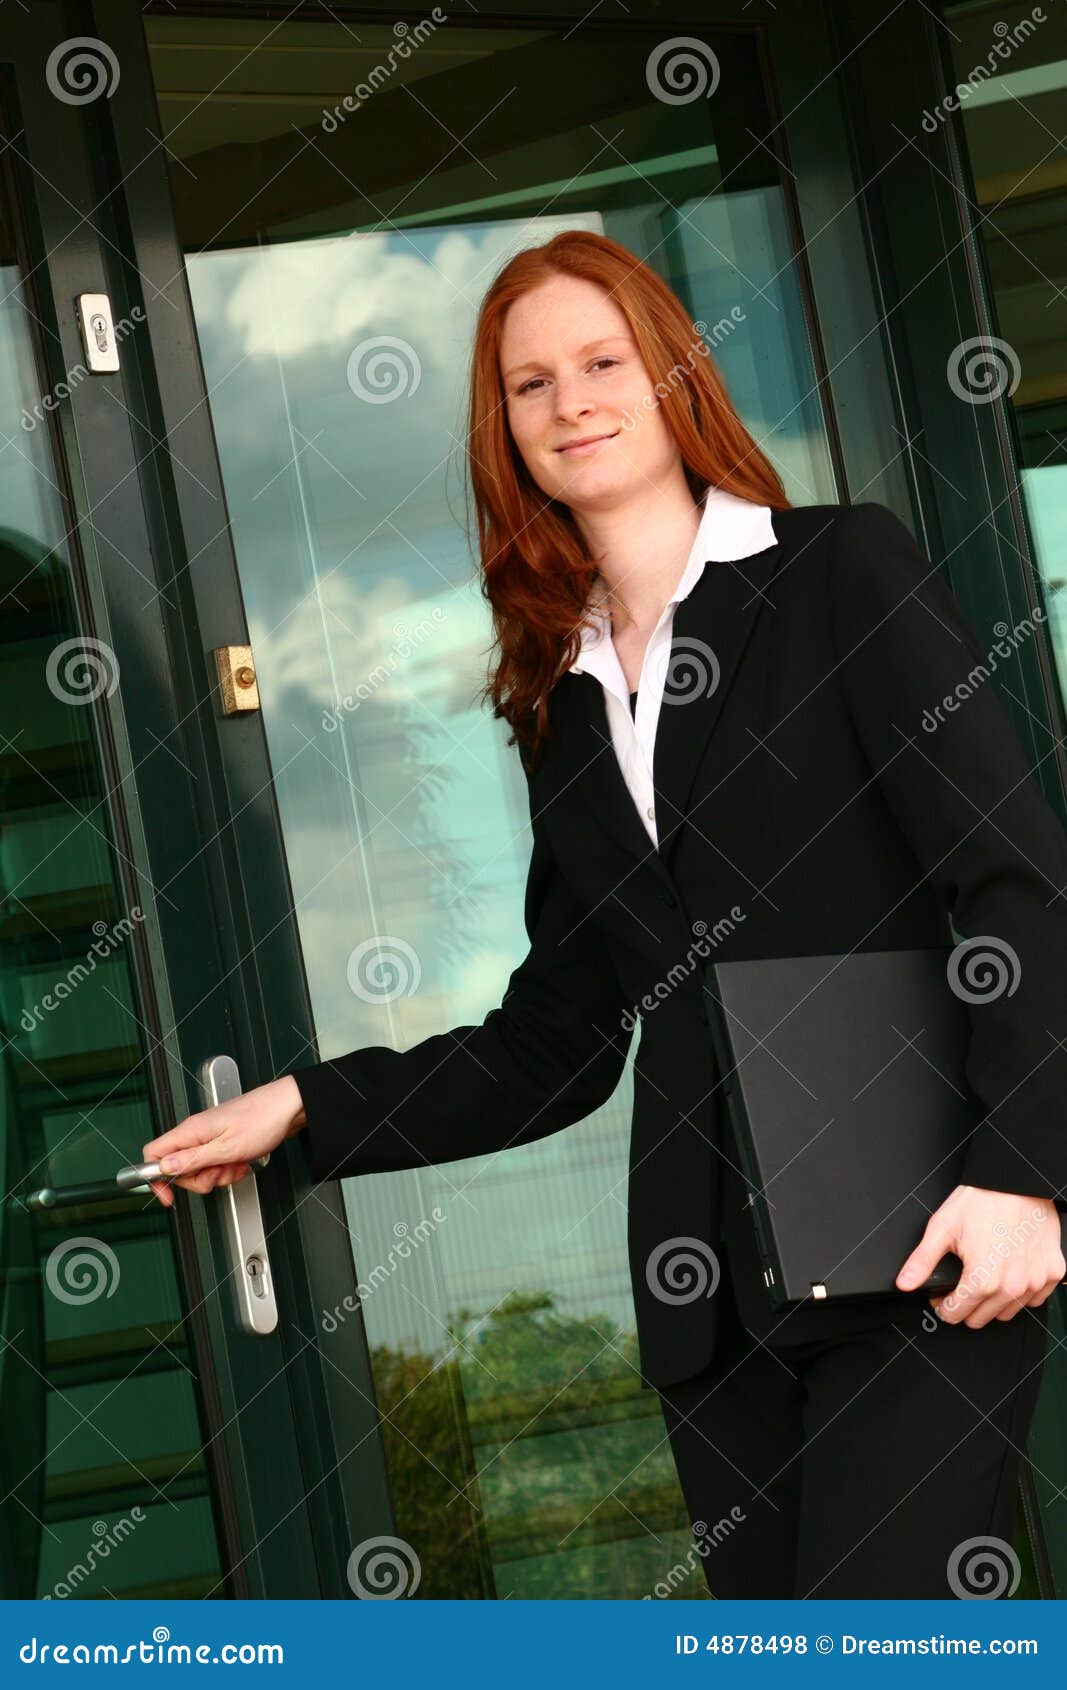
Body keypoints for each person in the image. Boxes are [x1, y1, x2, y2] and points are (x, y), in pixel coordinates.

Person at [141, 230, 1067, 1599]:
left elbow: (1016, 884)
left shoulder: (838, 575)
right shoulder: (557, 703)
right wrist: (304, 1106)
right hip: (716, 1304)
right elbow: (561, 1037)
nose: (570, 402)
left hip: (922, 1234)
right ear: (502, 431)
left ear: (674, 375)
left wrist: (1028, 1175)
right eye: (529, 385)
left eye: (601, 362)